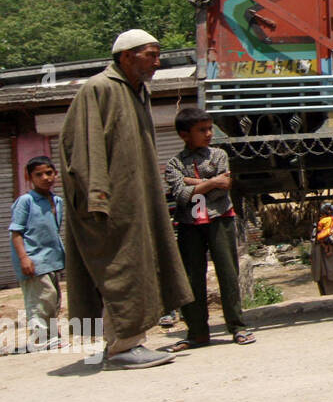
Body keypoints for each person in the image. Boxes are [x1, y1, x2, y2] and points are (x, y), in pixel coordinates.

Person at [60, 29, 193, 369]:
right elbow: (86, 148)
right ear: (126, 56)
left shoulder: (136, 92)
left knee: (139, 266)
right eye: (151, 54)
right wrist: (98, 198)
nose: (157, 61)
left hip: (135, 201)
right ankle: (123, 347)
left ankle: (128, 343)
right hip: (109, 203)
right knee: (121, 269)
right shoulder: (99, 89)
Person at [163, 107, 254, 351]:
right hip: (190, 223)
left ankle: (237, 326)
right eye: (201, 130)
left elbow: (223, 188)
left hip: (220, 218)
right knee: (192, 278)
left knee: (228, 273)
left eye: (209, 128)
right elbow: (180, 196)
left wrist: (194, 182)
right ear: (184, 135)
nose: (208, 134)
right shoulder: (174, 163)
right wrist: (211, 182)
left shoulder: (218, 155)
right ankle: (197, 333)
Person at [9, 156, 65, 352]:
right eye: (39, 174)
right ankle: (39, 339)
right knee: (39, 300)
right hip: (33, 260)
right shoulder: (26, 201)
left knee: (52, 299)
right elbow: (16, 232)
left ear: (55, 174)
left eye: (49, 173)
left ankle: (51, 336)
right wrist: (24, 258)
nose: (45, 178)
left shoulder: (57, 201)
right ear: (29, 177)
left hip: (52, 259)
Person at [310, 202, 333, 296]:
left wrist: (327, 242)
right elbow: (314, 239)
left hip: (330, 259)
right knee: (321, 277)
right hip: (319, 258)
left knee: (330, 277)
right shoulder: (318, 227)